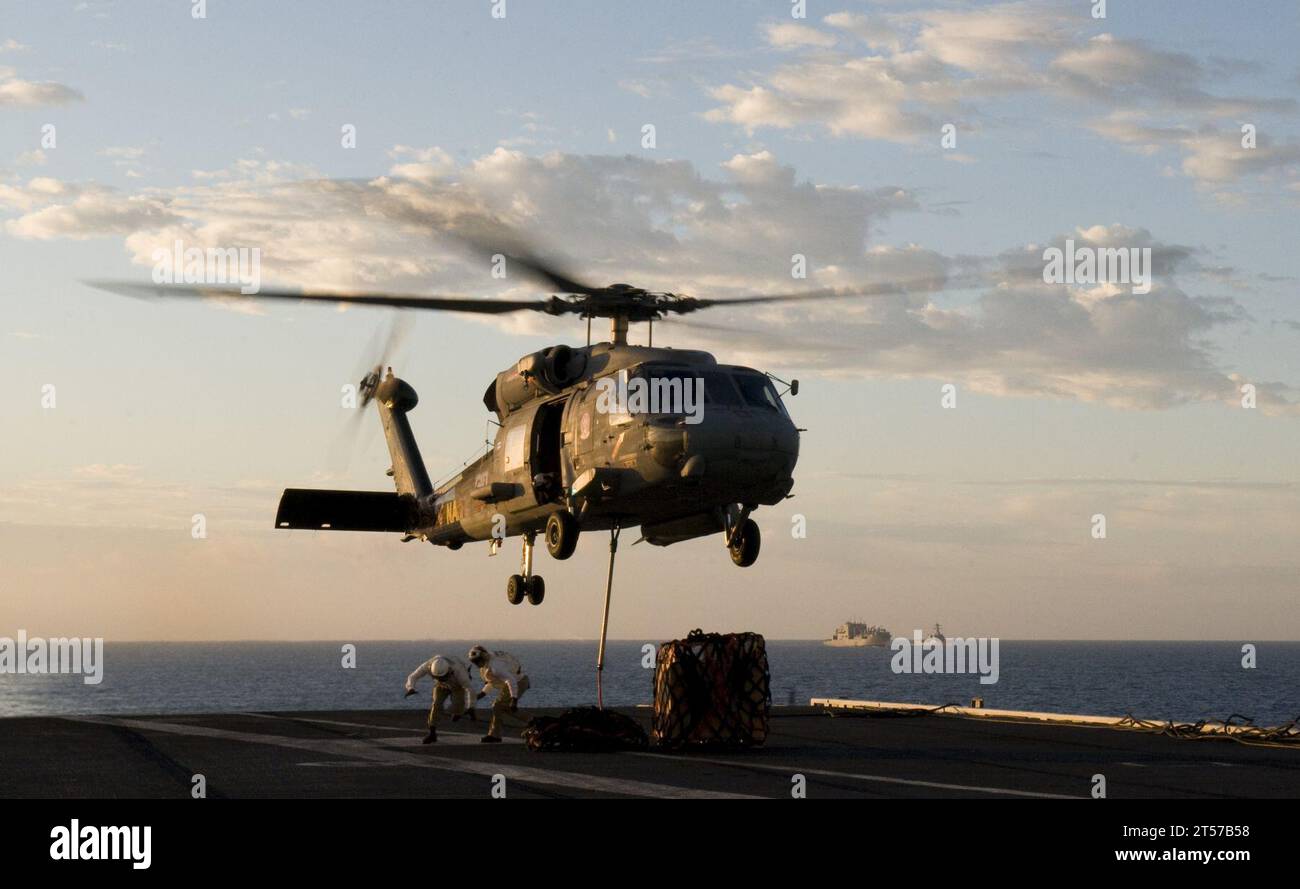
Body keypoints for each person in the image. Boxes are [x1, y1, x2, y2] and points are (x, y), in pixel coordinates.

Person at [404, 654, 475, 744]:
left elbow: (470, 689)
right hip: (440, 686)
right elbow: (413, 676)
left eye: (443, 677)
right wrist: (410, 688)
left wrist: (471, 706)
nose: (442, 679)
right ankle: (432, 733)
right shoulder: (428, 665)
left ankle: (458, 712)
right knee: (436, 704)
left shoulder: (459, 671)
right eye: (439, 678)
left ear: (449, 671)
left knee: (458, 706)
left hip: (458, 685)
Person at [468, 645, 530, 743]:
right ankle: (531, 721)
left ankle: (495, 735)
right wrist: (482, 693)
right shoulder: (488, 662)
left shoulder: (495, 666)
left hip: (518, 682)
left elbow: (511, 680)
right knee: (501, 707)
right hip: (517, 681)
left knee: (498, 706)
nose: (477, 664)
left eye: (477, 661)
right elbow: (493, 681)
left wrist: (514, 699)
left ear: (483, 656)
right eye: (474, 662)